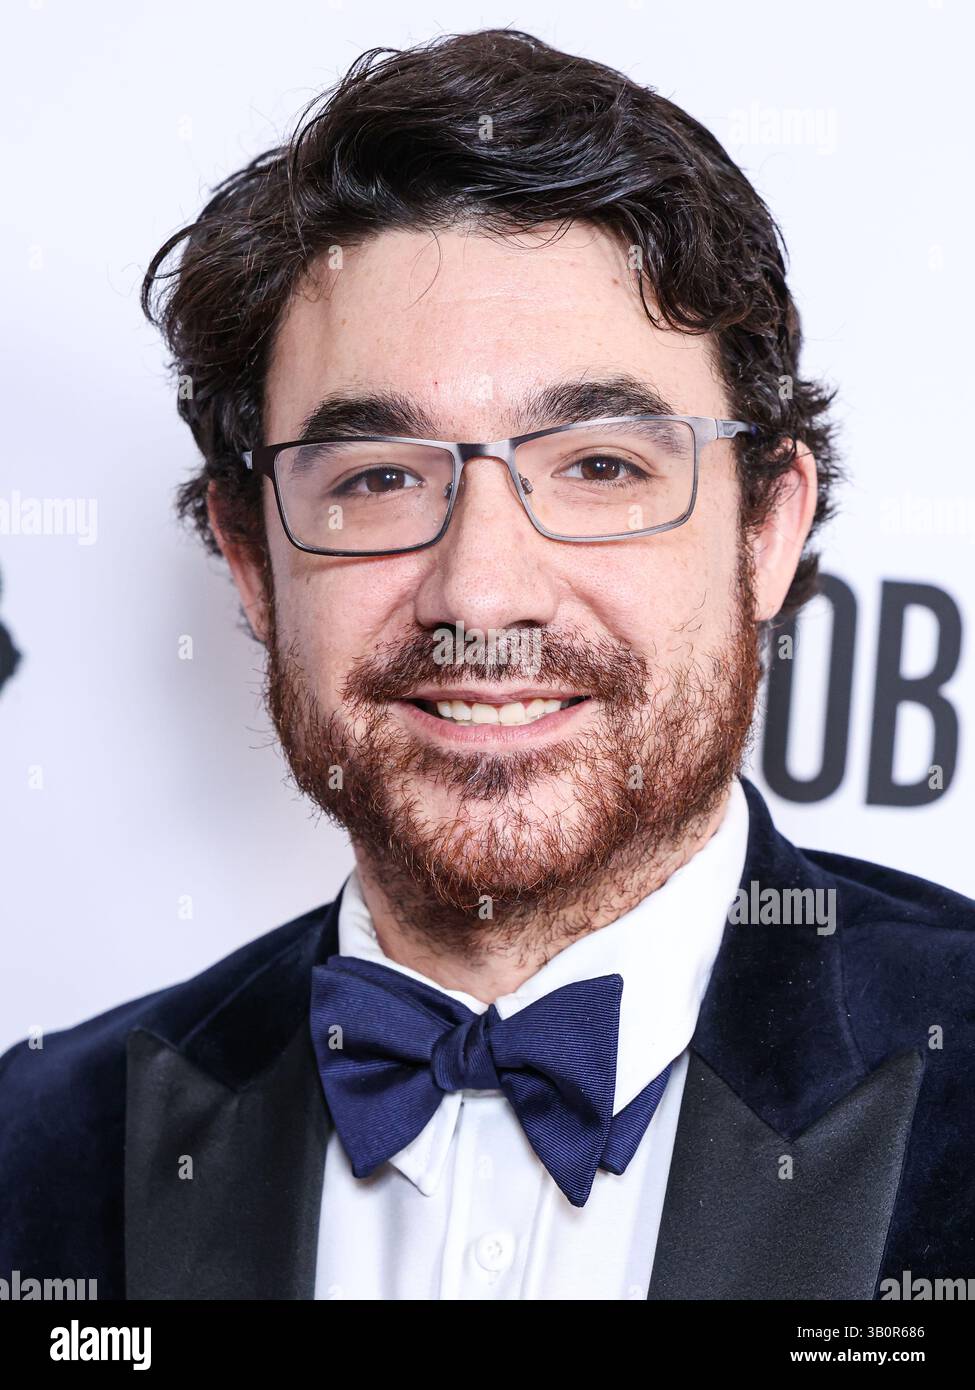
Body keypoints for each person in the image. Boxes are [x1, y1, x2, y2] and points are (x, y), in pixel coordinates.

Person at [2, 28, 972, 1302]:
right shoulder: (36, 1154)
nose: (482, 591)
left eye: (603, 466)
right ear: (248, 560)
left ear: (768, 533)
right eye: (380, 479)